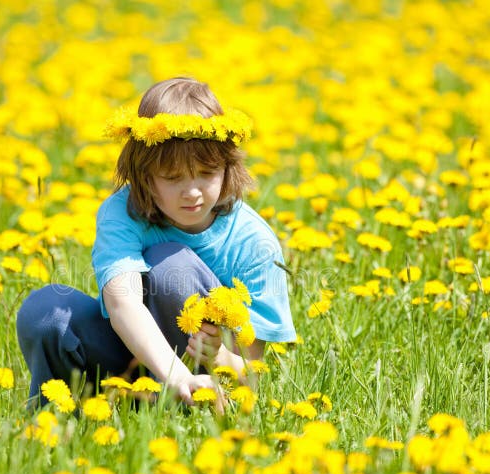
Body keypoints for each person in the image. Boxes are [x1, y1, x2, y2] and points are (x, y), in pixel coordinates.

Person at [16, 77, 296, 408]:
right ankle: (58, 416)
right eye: (173, 177)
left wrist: (219, 356)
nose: (191, 191)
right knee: (46, 310)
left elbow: (251, 371)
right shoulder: (122, 212)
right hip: (133, 360)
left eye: (207, 173)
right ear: (144, 174)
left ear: (227, 166)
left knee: (170, 263)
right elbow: (123, 303)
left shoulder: (253, 241)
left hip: (203, 383)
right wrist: (175, 375)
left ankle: (188, 408)